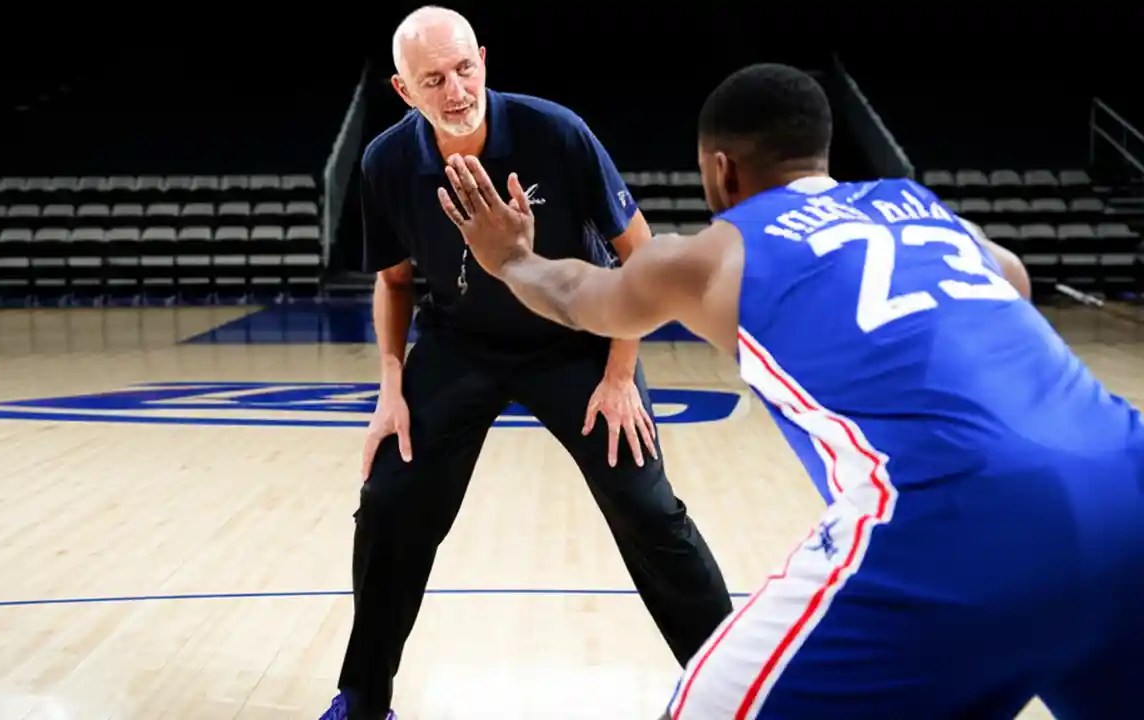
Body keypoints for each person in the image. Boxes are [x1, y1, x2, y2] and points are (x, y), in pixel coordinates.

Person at [438, 62, 1144, 719]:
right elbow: (1013, 279)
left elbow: (578, 295)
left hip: (962, 520)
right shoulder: (924, 209)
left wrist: (513, 258)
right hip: (1126, 483)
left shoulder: (718, 248)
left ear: (721, 169)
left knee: (703, 706)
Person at [319, 6, 734, 719]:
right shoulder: (387, 161)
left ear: (483, 58)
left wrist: (617, 375)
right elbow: (392, 281)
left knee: (647, 509)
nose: (455, 90)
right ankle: (362, 700)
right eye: (433, 79)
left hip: (578, 336)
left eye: (464, 69)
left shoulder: (556, 132)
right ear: (402, 90)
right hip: (460, 344)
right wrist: (391, 387)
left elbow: (640, 259)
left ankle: (734, 689)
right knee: (389, 505)